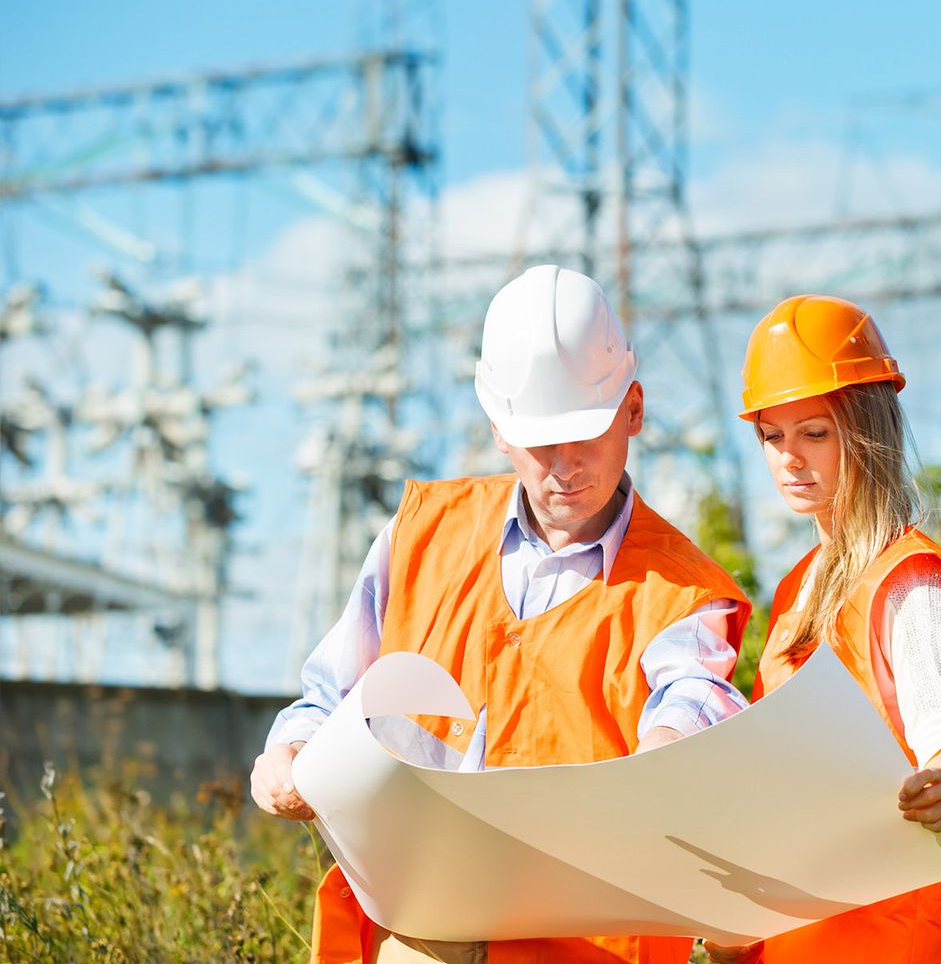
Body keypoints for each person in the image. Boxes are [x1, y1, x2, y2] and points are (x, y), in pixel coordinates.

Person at [250, 264, 752, 964]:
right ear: (498, 428)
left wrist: (670, 752)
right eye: (541, 443)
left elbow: (694, 693)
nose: (565, 465)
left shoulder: (684, 589)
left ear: (633, 410)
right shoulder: (420, 534)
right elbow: (329, 697)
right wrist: (287, 753)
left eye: (588, 435)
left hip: (588, 952)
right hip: (419, 932)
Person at [717, 294, 941, 964]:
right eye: (772, 435)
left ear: (866, 427)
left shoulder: (907, 580)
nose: (790, 456)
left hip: (891, 940)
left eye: (813, 431)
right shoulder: (795, 590)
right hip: (796, 938)